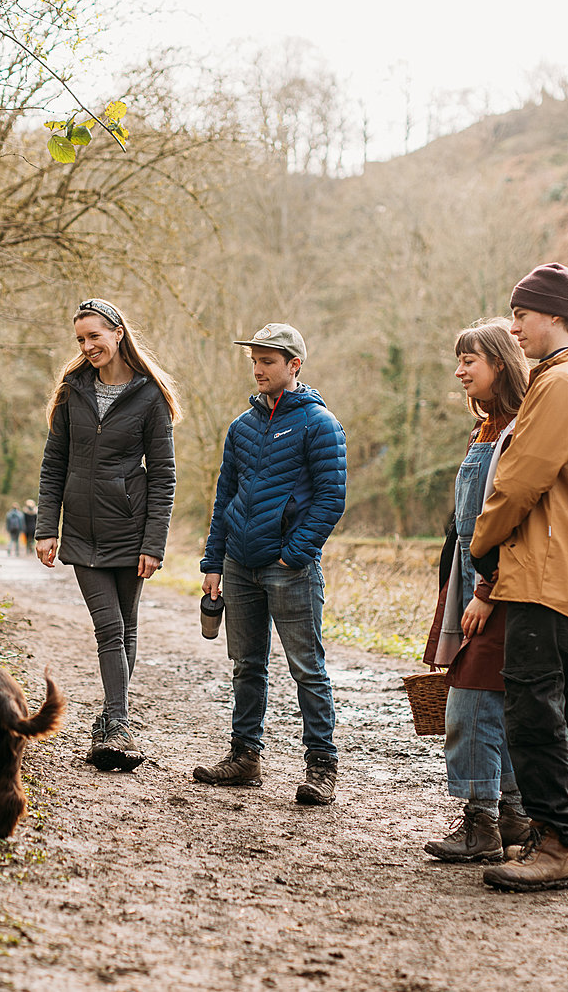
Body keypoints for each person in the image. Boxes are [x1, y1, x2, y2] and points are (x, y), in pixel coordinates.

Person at [469, 263, 568, 891]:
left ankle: (554, 844)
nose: (515, 327)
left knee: (534, 710)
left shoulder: (561, 385)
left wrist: (482, 543)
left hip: (545, 571)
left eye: (522, 315)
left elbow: (518, 479)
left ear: (555, 316)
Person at [192, 323, 347, 806]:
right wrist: (214, 561)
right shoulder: (241, 427)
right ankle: (245, 757)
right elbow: (225, 498)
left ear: (294, 365)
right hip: (239, 566)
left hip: (289, 568)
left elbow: (330, 498)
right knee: (246, 665)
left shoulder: (319, 424)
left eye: (268, 362)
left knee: (307, 668)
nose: (258, 370)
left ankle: (321, 766)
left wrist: (294, 552)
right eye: (254, 361)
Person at [35, 297, 178, 771]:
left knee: (127, 624)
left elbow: (163, 475)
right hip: (80, 529)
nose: (87, 346)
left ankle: (111, 720)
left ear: (118, 333)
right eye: (80, 339)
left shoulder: (149, 396)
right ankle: (118, 721)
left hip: (130, 528)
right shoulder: (71, 391)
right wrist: (45, 527)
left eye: (94, 335)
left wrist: (153, 543)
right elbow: (54, 463)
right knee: (110, 626)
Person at [421, 319, 533, 861]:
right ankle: (511, 816)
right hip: (468, 575)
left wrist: (485, 588)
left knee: (471, 700)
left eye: (472, 360)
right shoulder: (483, 430)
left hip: (496, 579)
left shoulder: (519, 431)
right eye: (459, 360)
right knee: (487, 696)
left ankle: (479, 823)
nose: (461, 370)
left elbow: (511, 519)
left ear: (501, 365)